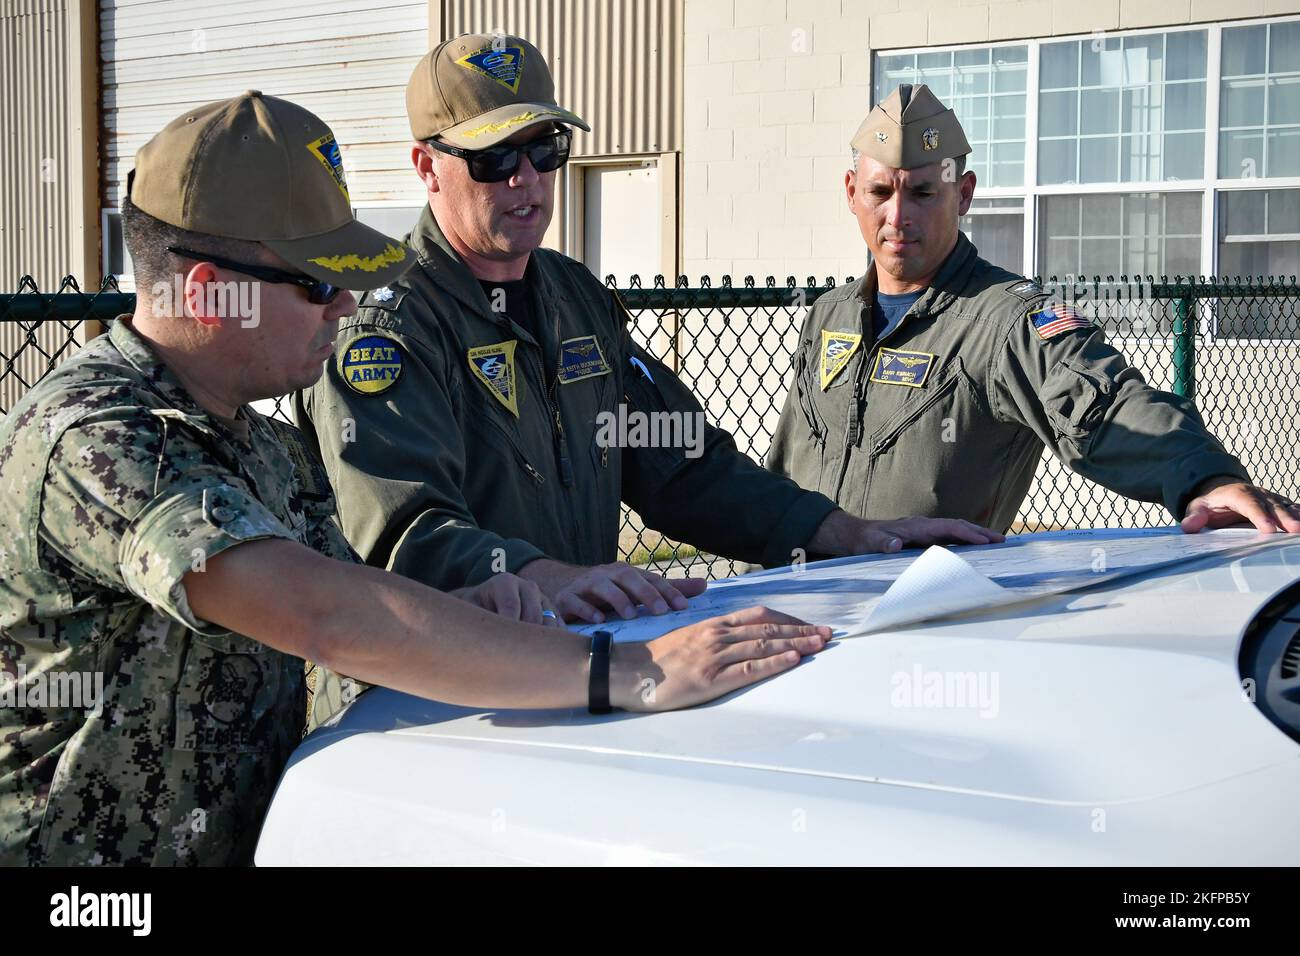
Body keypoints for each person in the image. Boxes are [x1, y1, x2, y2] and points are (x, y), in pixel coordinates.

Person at [0, 92, 834, 867]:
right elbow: (326, 615)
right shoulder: (99, 440)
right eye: (320, 282)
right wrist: (628, 672)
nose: (344, 308)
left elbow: (358, 589)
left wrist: (481, 604)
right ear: (213, 296)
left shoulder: (256, 445)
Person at [297, 34, 1002, 628]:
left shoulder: (573, 298)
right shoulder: (385, 327)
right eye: (493, 160)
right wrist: (547, 579)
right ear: (427, 167)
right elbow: (405, 532)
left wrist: (845, 534)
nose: (526, 181)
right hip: (435, 701)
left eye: (544, 150)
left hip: (569, 662)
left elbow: (684, 466)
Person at [767, 83, 1300, 537]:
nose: (898, 215)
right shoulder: (830, 315)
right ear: (851, 191)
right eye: (879, 192)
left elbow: (1108, 405)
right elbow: (788, 461)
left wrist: (1204, 479)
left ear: (964, 193)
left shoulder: (1005, 322)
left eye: (924, 193)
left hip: (919, 621)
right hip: (803, 604)